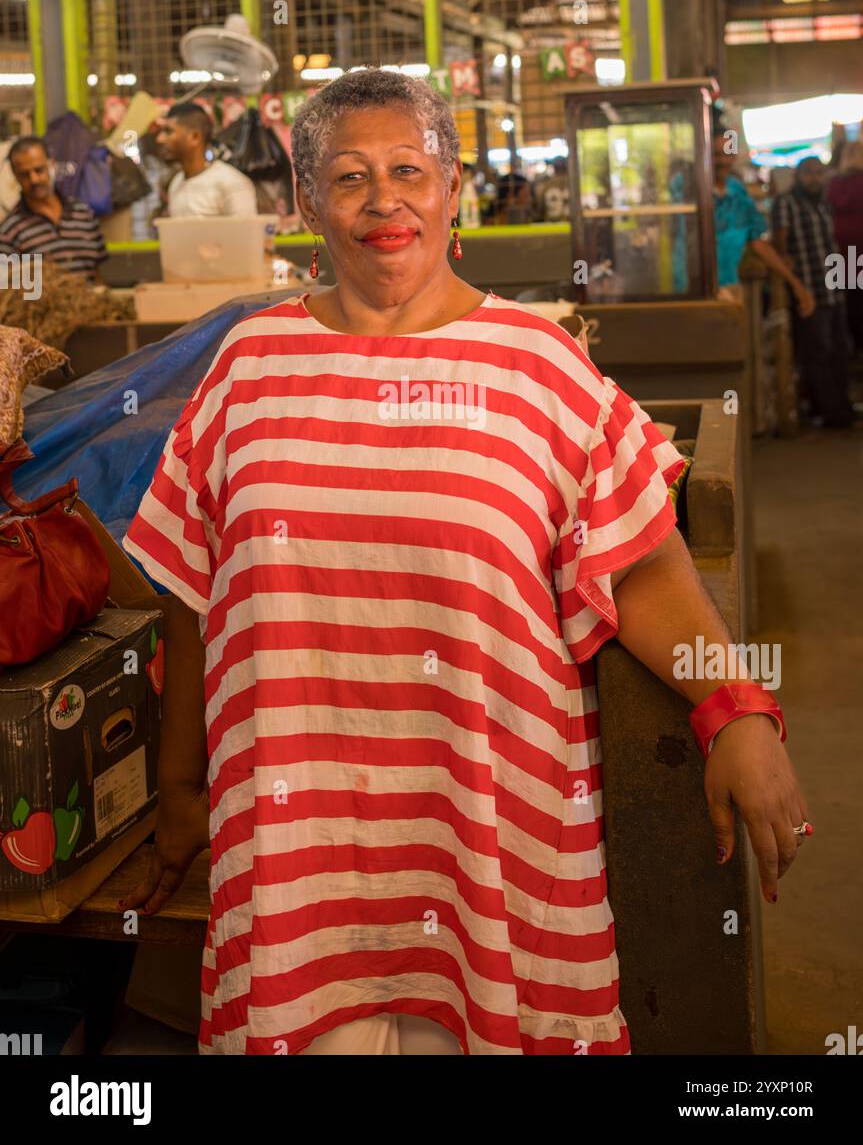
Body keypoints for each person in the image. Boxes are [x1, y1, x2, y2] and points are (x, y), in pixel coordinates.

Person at [121, 69, 809, 1057]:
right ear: (307, 204)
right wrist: (181, 794)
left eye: (409, 169)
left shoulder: (536, 362)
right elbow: (186, 595)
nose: (382, 198)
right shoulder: (246, 365)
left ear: (453, 190)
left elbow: (642, 566)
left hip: (493, 855)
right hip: (296, 877)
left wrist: (732, 706)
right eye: (348, 177)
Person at [771, 157, 854, 429]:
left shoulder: (824, 203)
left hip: (833, 289)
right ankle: (831, 414)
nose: (815, 179)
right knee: (817, 354)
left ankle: (842, 407)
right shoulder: (786, 203)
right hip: (807, 290)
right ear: (797, 176)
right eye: (809, 173)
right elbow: (780, 245)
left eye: (819, 174)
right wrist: (793, 279)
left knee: (840, 351)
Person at [712, 133, 815, 317]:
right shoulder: (687, 188)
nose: (721, 161)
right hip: (693, 289)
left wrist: (794, 283)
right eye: (715, 154)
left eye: (726, 154)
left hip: (729, 288)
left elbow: (757, 242)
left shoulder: (737, 192)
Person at [0, 135, 107, 280]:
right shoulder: (9, 232)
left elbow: (97, 275)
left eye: (39, 170)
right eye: (25, 174)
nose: (34, 180)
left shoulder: (84, 214)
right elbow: (8, 290)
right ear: (15, 176)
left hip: (88, 301)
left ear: (51, 164)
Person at [157, 103, 258, 219]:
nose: (160, 139)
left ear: (195, 137)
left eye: (168, 131)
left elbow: (247, 235)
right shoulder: (176, 184)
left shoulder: (231, 183)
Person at [826, 140, 863, 354]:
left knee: (845, 297)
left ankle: (848, 344)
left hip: (839, 248)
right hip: (859, 248)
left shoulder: (834, 183)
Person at [534, 157, 571, 222]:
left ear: (554, 168)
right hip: (571, 224)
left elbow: (540, 208)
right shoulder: (573, 184)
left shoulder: (546, 185)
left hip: (551, 226)